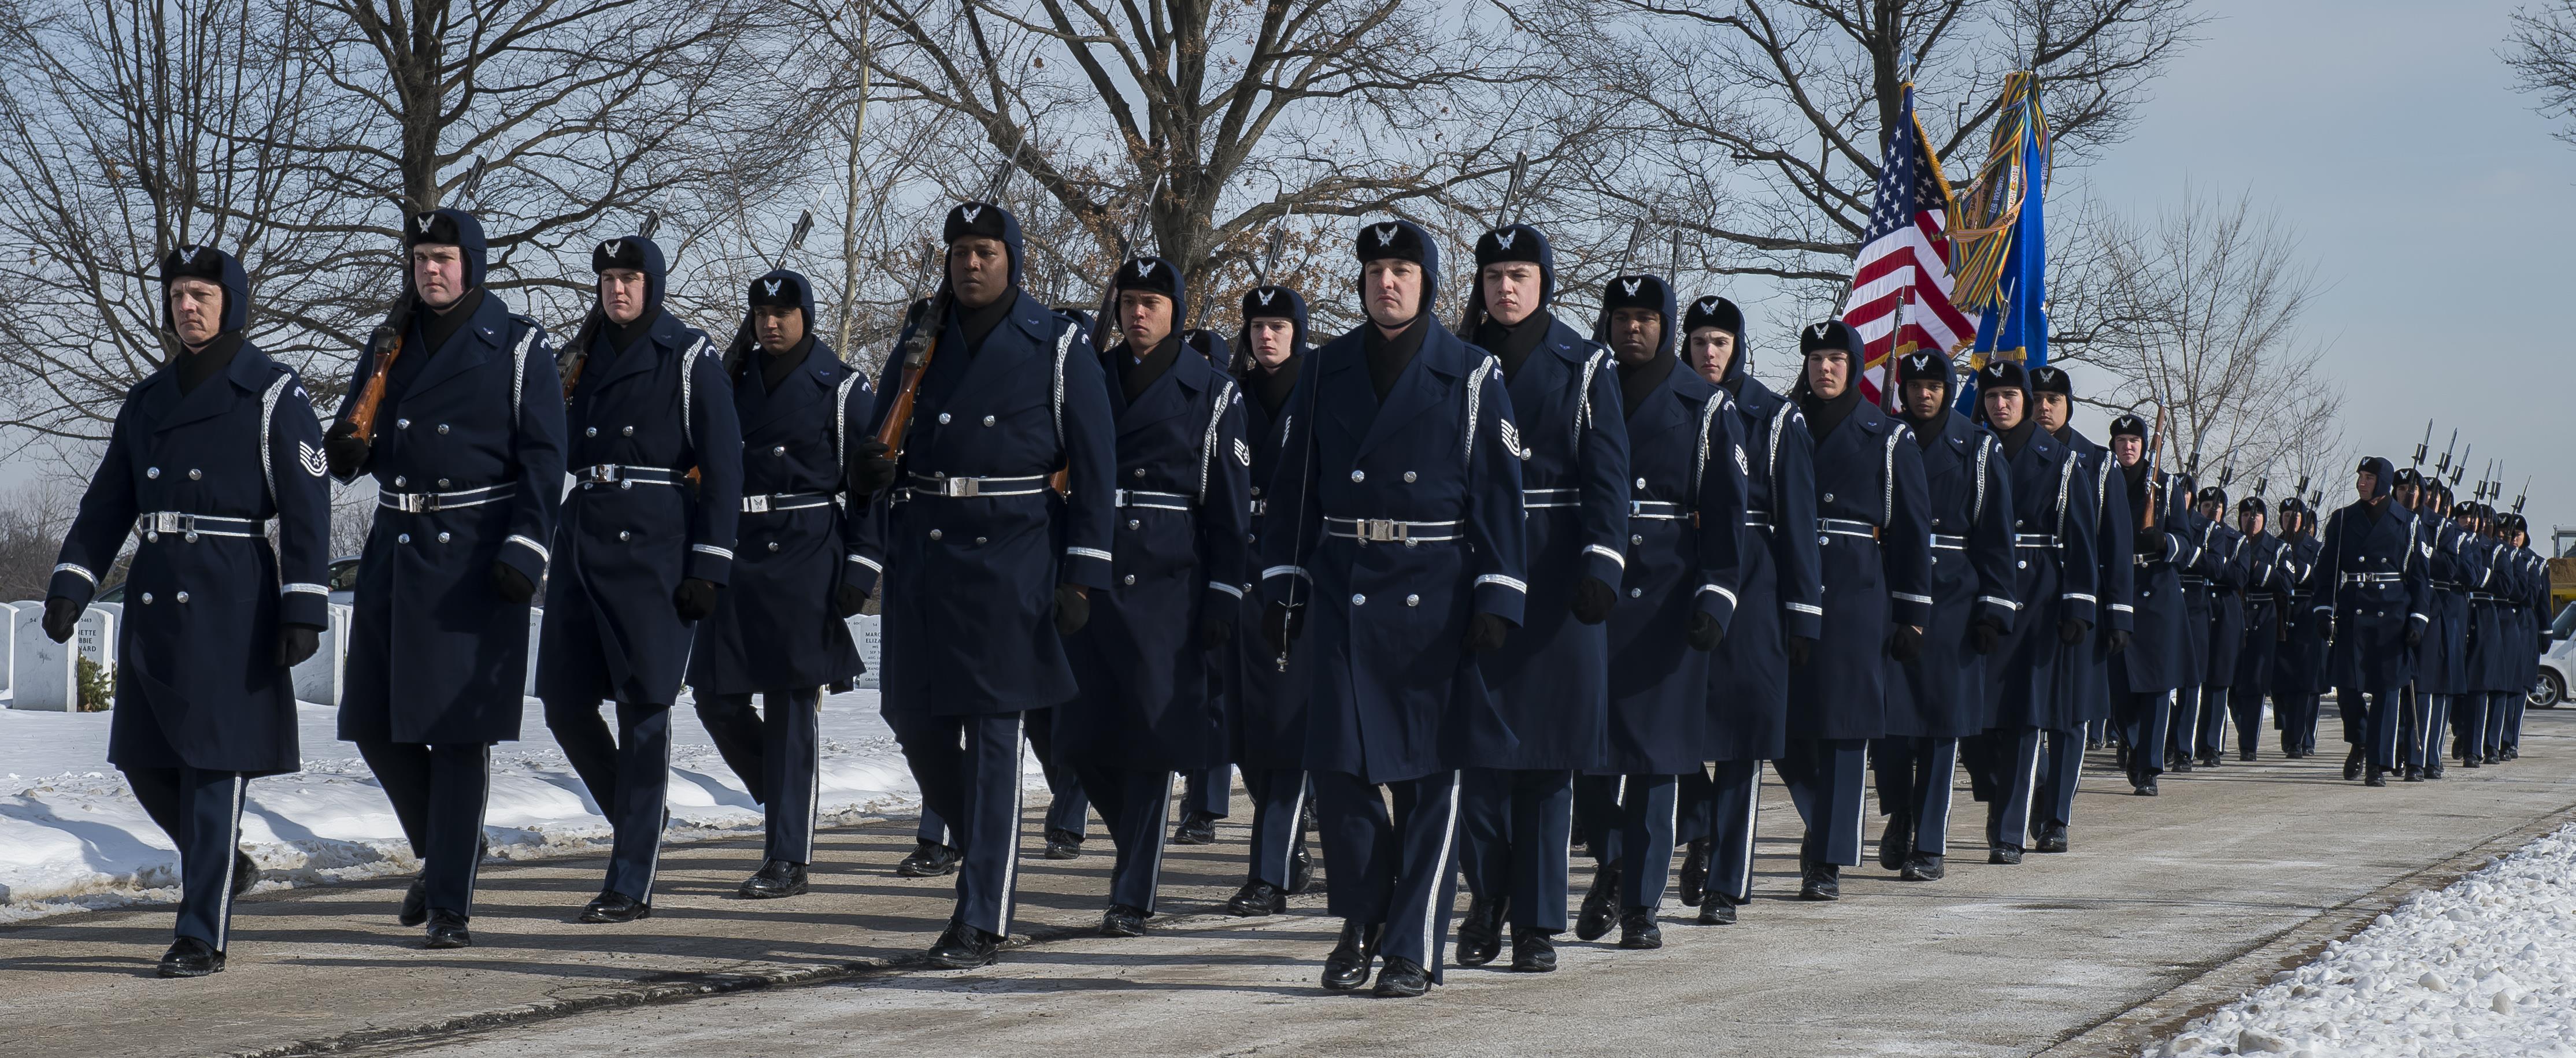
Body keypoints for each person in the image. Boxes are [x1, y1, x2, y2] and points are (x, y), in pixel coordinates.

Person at [45, 243, 331, 975]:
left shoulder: (271, 391)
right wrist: (72, 582)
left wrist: (304, 602)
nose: (188, 306)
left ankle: (200, 933)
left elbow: (307, 506)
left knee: (213, 767)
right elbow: (108, 501)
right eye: (177, 295)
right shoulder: (146, 398)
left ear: (230, 301)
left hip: (233, 591)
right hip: (156, 583)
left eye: (201, 293)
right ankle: (221, 862)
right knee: (144, 758)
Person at [1259, 217, 1526, 998]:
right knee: (1339, 773)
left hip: (1434, 593)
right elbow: (1294, 487)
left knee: (1429, 783)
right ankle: (1361, 917)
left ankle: (1414, 946)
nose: (1388, 280)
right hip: (1346, 584)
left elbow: (1500, 498)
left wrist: (1498, 593)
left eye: (1403, 268)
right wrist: (1283, 583)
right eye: (1376, 267)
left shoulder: (1472, 373)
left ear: (1428, 281)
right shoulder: (1326, 368)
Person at [845, 201, 1117, 968]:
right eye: (961, 250)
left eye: (986, 251)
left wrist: (1083, 576)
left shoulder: (1058, 344)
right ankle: (984, 844)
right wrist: (866, 470)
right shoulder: (919, 337)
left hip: (1014, 549)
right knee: (912, 715)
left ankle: (983, 913)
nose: (971, 263)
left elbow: (1097, 473)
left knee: (997, 733)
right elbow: (880, 434)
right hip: (926, 550)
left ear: (1013, 259)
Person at [328, 210, 567, 946]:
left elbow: (544, 459)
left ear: (473, 264)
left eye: (444, 258)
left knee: (460, 735)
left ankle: (450, 905)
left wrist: (527, 547)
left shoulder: (520, 344)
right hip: (395, 545)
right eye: (421, 257)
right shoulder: (389, 340)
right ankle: (449, 848)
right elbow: (352, 439)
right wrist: (343, 443)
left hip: (475, 551)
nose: (431, 269)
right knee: (370, 720)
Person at [538, 233, 745, 923]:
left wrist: (709, 565)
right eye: (607, 281)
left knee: (643, 712)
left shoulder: (687, 356)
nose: (617, 290)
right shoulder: (583, 357)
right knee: (563, 704)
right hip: (582, 532)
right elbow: (554, 450)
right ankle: (640, 818)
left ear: (651, 284)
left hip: (656, 539)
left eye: (629, 278)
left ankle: (630, 879)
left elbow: (723, 468)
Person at [1450, 225, 1627, 971]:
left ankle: (1538, 921)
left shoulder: (1584, 363)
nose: (1505, 288)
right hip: (1475, 571)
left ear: (1544, 281)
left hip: (1558, 578)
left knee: (1550, 763)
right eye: (1493, 275)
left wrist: (1602, 564)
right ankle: (1488, 892)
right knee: (1479, 758)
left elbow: (1610, 474)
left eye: (1519, 274)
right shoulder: (1456, 363)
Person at [1060, 255, 1250, 937]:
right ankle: (1134, 850)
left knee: (1146, 743)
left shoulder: (1213, 390)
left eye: (1153, 303)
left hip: (1171, 581)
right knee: (1074, 738)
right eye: (1130, 302)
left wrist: (1226, 592)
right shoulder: (1090, 375)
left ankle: (1132, 892)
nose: (1138, 314)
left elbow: (1229, 510)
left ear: (1177, 311)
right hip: (1095, 568)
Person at [686, 269, 875, 898]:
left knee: (791, 706)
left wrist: (861, 565)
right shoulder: (728, 380)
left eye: (783, 312)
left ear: (807, 316)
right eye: (761, 312)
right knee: (715, 699)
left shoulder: (842, 387)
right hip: (735, 549)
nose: (771, 322)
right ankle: (786, 802)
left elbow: (869, 487)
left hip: (804, 547)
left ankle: (787, 854)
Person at [1577, 272, 1741, 952]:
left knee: (1653, 762)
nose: (1633, 328)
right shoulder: (1584, 388)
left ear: (1665, 324)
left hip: (1669, 598)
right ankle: (1610, 861)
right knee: (1585, 756)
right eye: (1621, 317)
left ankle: (1641, 901)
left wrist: (1716, 596)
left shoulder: (1703, 404)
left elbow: (1727, 514)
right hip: (1592, 598)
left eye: (1646, 317)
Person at [1672, 295, 1819, 925]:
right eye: (1700, 341)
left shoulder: (1775, 417)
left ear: (1738, 348)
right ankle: (1696, 820)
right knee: (1664, 729)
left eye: (1720, 342)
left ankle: (1726, 885)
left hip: (1756, 592)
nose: (1709, 352)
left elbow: (1799, 524)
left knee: (1741, 743)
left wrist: (1803, 613)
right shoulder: (1667, 402)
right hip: (1677, 584)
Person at [1778, 320, 1930, 899]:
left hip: (1855, 591)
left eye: (1836, 359)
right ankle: (1824, 822)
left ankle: (1829, 861)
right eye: (1815, 357)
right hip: (1787, 585)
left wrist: (1912, 613)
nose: (1824, 368)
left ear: (1855, 366)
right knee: (1785, 730)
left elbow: (1912, 531)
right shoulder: (1780, 422)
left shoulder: (1887, 435)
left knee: (1843, 730)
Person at [1874, 349, 2013, 882]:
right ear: (1903, 390)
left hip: (1955, 600)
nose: (1924, 394)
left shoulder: (1977, 448)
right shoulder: (1885, 438)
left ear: (1950, 389)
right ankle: (1900, 812)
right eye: (1915, 385)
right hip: (1892, 592)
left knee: (1940, 728)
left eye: (1934, 385)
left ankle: (1929, 842)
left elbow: (1997, 537)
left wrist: (1993, 611)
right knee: (1887, 725)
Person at [1961, 360, 2094, 865]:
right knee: (1975, 727)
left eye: (2010, 396)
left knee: (2023, 720)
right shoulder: (1970, 449)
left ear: (2025, 401)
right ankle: (2008, 797)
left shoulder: (2058, 461)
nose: (2000, 405)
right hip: (1978, 594)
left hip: (2038, 595)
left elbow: (2080, 539)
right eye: (1992, 396)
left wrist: (2079, 605)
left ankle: (2009, 831)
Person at [1225, 282, 1317, 917]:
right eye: (1258, 326)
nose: (1267, 336)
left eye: (1279, 326)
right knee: (1245, 735)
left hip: (1297, 571)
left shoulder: (1322, 391)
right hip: (1236, 569)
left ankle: (1270, 872)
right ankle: (1294, 831)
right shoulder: (1229, 394)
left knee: (1285, 729)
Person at [2027, 365, 2126, 852]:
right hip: (2027, 603)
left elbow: (2115, 542)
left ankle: (2058, 816)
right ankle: (2039, 784)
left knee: (2070, 716)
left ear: (2069, 404)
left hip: (2083, 606)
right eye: (2037, 396)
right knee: (2020, 713)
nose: (2044, 406)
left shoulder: (2095, 461)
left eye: (2054, 398)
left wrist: (2120, 615)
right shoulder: (2007, 451)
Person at [2313, 456, 2429, 786]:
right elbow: (2326, 571)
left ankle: (2378, 763)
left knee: (2386, 693)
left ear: (2383, 482)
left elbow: (2420, 578)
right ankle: (2360, 739)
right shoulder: (2343, 519)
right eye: (2360, 477)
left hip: (2392, 615)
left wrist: (2418, 621)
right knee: (2347, 689)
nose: (2361, 482)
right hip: (2353, 611)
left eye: (2368, 477)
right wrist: (2323, 611)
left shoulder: (2407, 522)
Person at [2103, 414, 2197, 796]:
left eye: (2134, 440)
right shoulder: (2101, 479)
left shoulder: (2166, 483)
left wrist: (2164, 542)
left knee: (2158, 685)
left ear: (2145, 446)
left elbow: (2187, 543)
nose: (2128, 447)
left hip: (2157, 590)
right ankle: (2133, 738)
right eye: (2122, 440)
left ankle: (2150, 767)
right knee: (2119, 686)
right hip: (2116, 587)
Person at [2188, 484, 2248, 769]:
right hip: (2197, 604)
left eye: (2218, 507)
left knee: (2219, 680)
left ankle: (2212, 745)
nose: (2213, 511)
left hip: (2225, 609)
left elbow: (2239, 577)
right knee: (2191, 678)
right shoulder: (2192, 532)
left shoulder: (2235, 540)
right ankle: (2183, 743)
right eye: (2207, 506)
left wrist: (2214, 564)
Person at [2227, 496, 2287, 763]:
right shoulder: (2231, 542)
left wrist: (2255, 567)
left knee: (2254, 684)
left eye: (2256, 516)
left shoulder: (2277, 547)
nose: (2251, 521)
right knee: (2231, 684)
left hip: (2264, 618)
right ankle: (2243, 728)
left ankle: (2248, 744)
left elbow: (2286, 581)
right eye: (2245, 516)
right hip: (2235, 615)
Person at [2270, 496, 2329, 759]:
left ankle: (2299, 739)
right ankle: (2289, 732)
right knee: (2280, 685)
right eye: (2285, 517)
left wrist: (2298, 570)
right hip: (2280, 615)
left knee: (2304, 685)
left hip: (2305, 617)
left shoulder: (2315, 548)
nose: (2289, 521)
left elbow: (2321, 579)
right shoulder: (2275, 545)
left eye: (2294, 517)